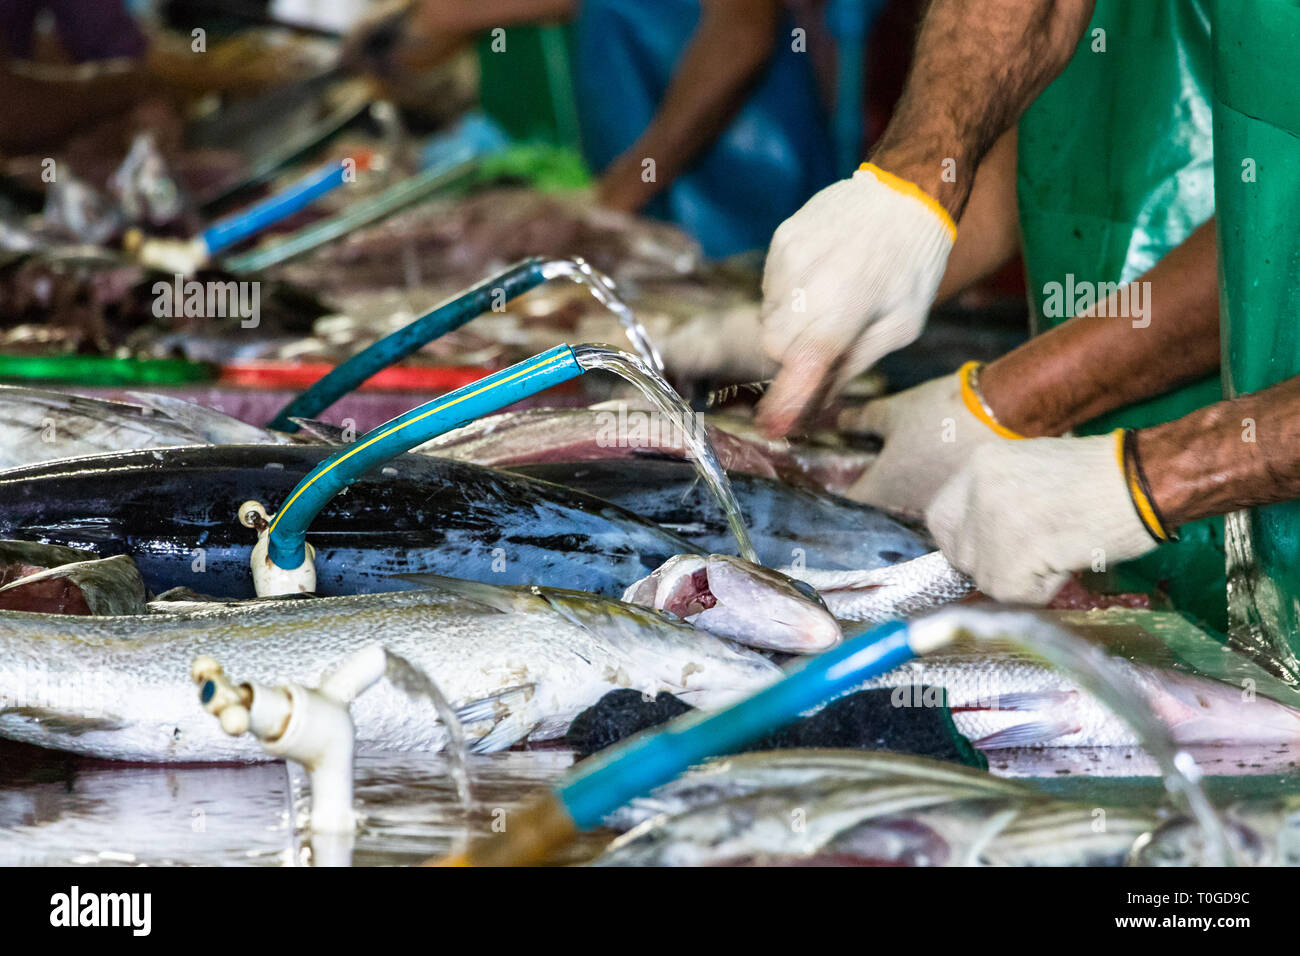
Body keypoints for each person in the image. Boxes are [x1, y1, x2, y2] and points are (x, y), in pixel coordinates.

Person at [759, 0, 1300, 660]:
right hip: (1163, 526)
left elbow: (1273, 243)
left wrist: (1150, 469)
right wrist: (912, 190)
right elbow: (1044, 124)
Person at [346, 0, 837, 256]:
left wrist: (623, 190)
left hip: (743, 193)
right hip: (651, 197)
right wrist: (419, 26)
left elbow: (740, 36)